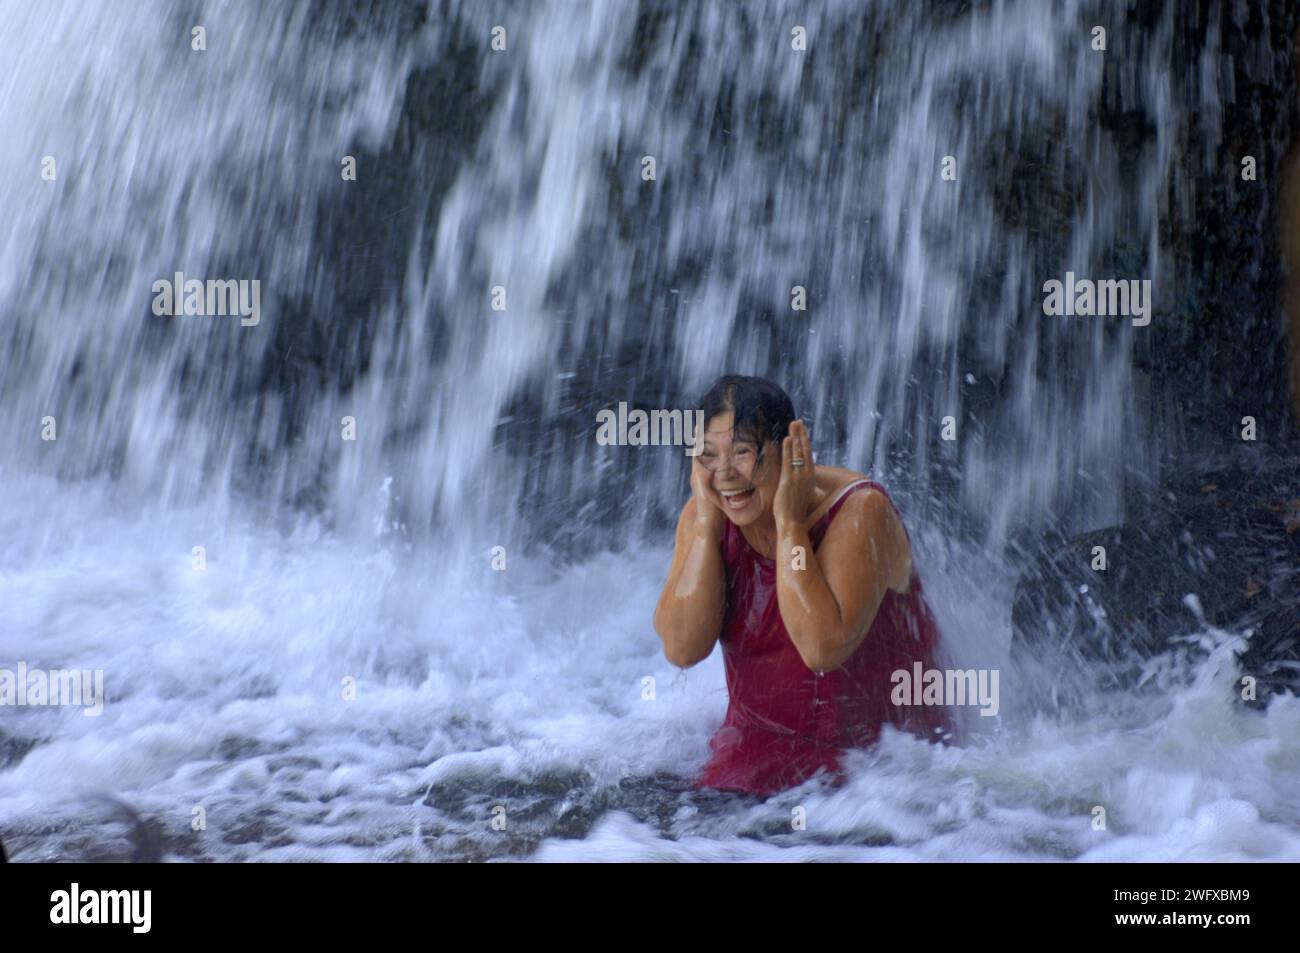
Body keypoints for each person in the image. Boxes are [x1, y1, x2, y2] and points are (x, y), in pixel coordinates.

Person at [653, 375, 955, 796]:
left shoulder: (861, 511)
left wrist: (789, 523)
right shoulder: (708, 514)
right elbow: (682, 649)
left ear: (791, 448)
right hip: (751, 757)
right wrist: (704, 525)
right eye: (709, 456)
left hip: (884, 780)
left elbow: (821, 648)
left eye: (742, 452)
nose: (724, 474)